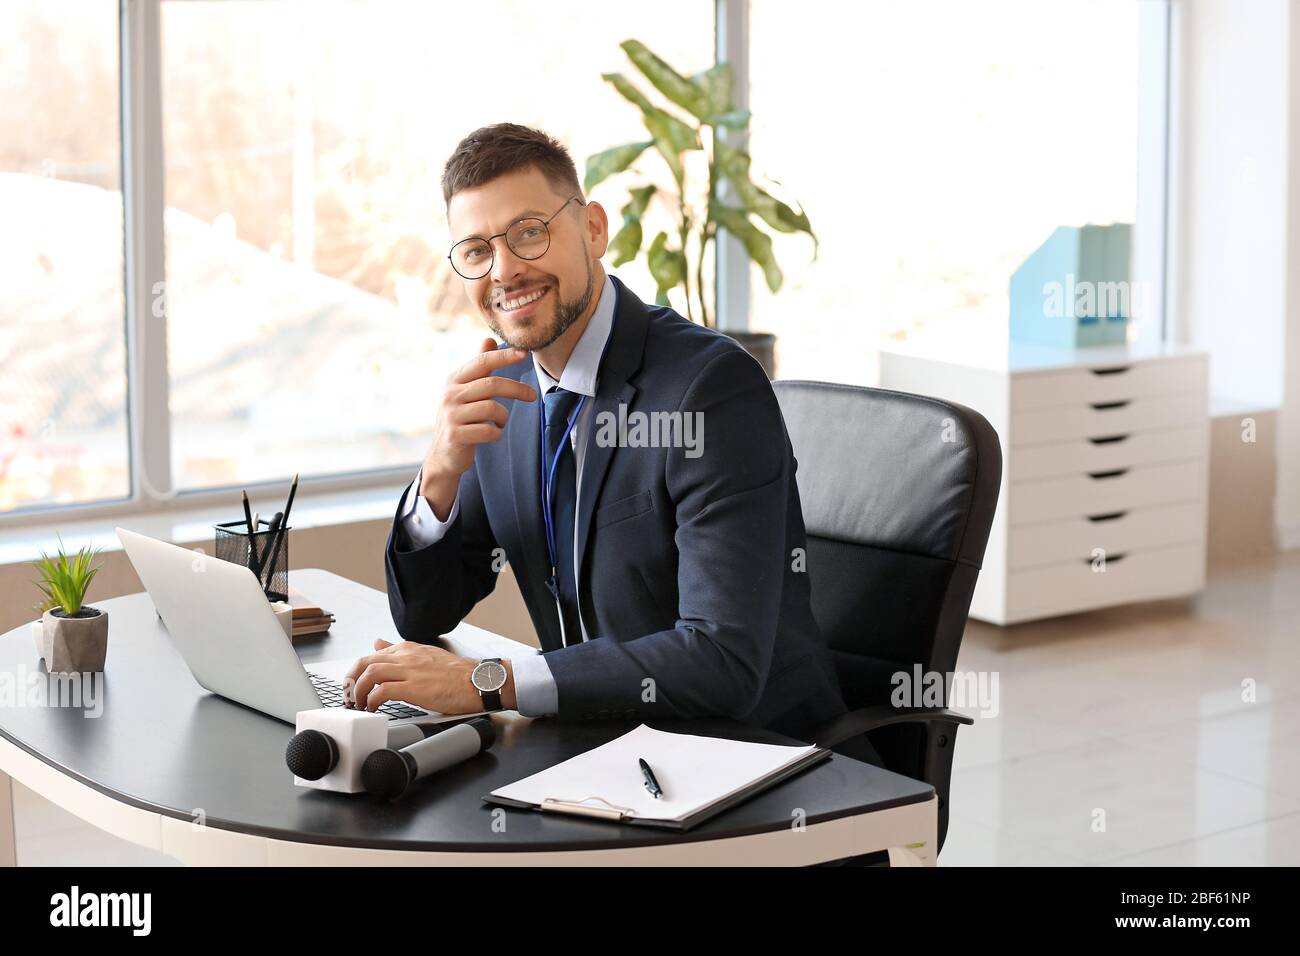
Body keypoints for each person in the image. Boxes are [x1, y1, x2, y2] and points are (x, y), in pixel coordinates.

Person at [346, 122, 863, 751]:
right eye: (477, 250)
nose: (505, 270)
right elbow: (424, 619)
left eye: (529, 233)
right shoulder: (508, 390)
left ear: (593, 229)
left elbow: (722, 660)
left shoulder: (709, 391)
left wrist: (491, 682)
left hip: (750, 760)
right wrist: (439, 474)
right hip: (598, 749)